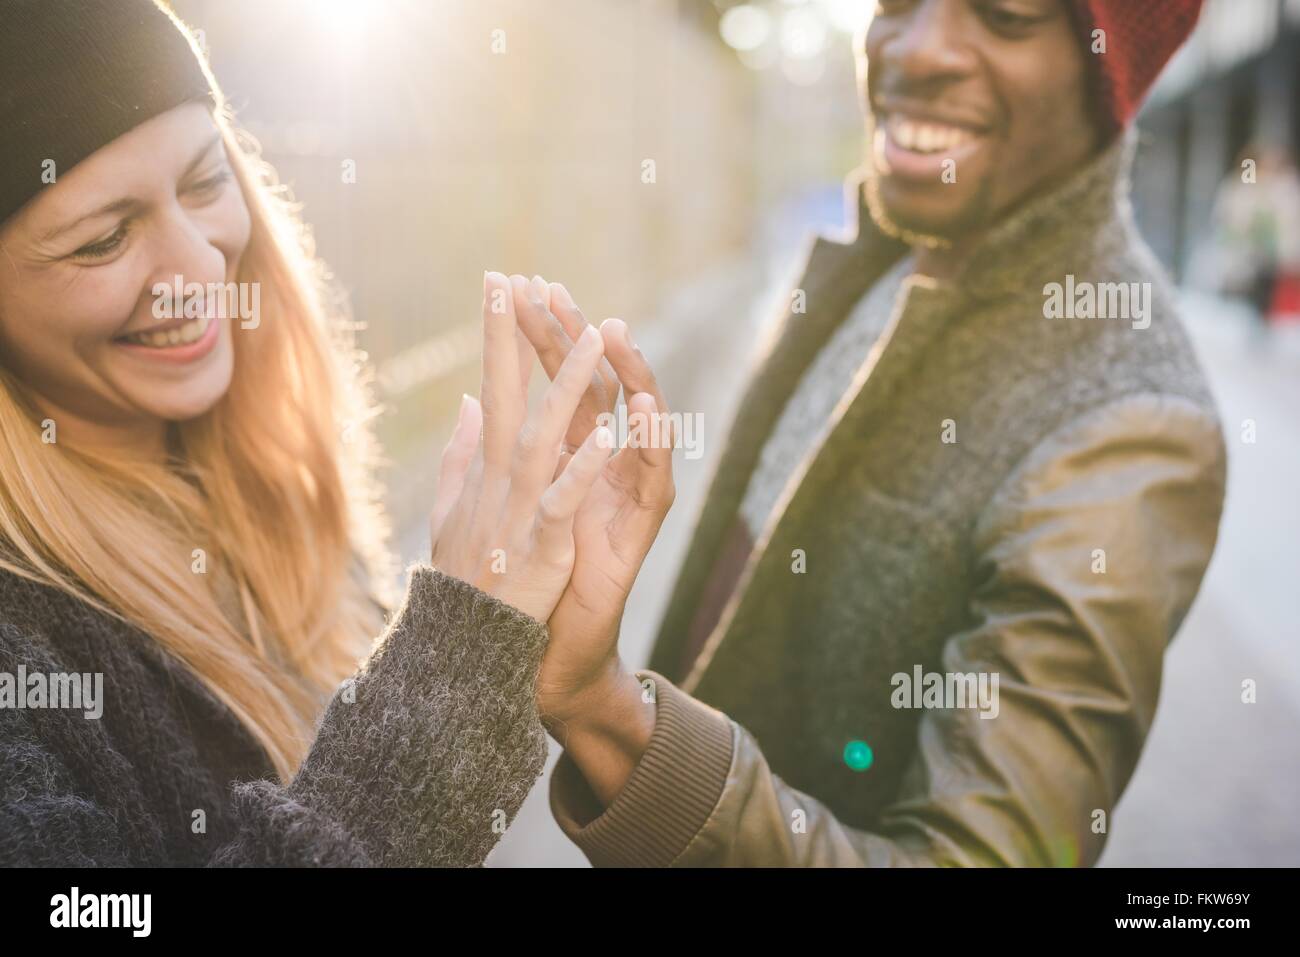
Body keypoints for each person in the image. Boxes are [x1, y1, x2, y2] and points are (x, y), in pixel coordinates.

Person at [524, 0, 1229, 865]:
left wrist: (607, 714)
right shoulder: (885, 245)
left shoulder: (1131, 424)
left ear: (1112, 73)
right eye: (897, 0)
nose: (918, 45)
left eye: (1005, 13)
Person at [0, 0, 659, 867]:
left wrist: (548, 654)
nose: (201, 264)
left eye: (205, 183)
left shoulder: (273, 488)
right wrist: (456, 652)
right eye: (104, 238)